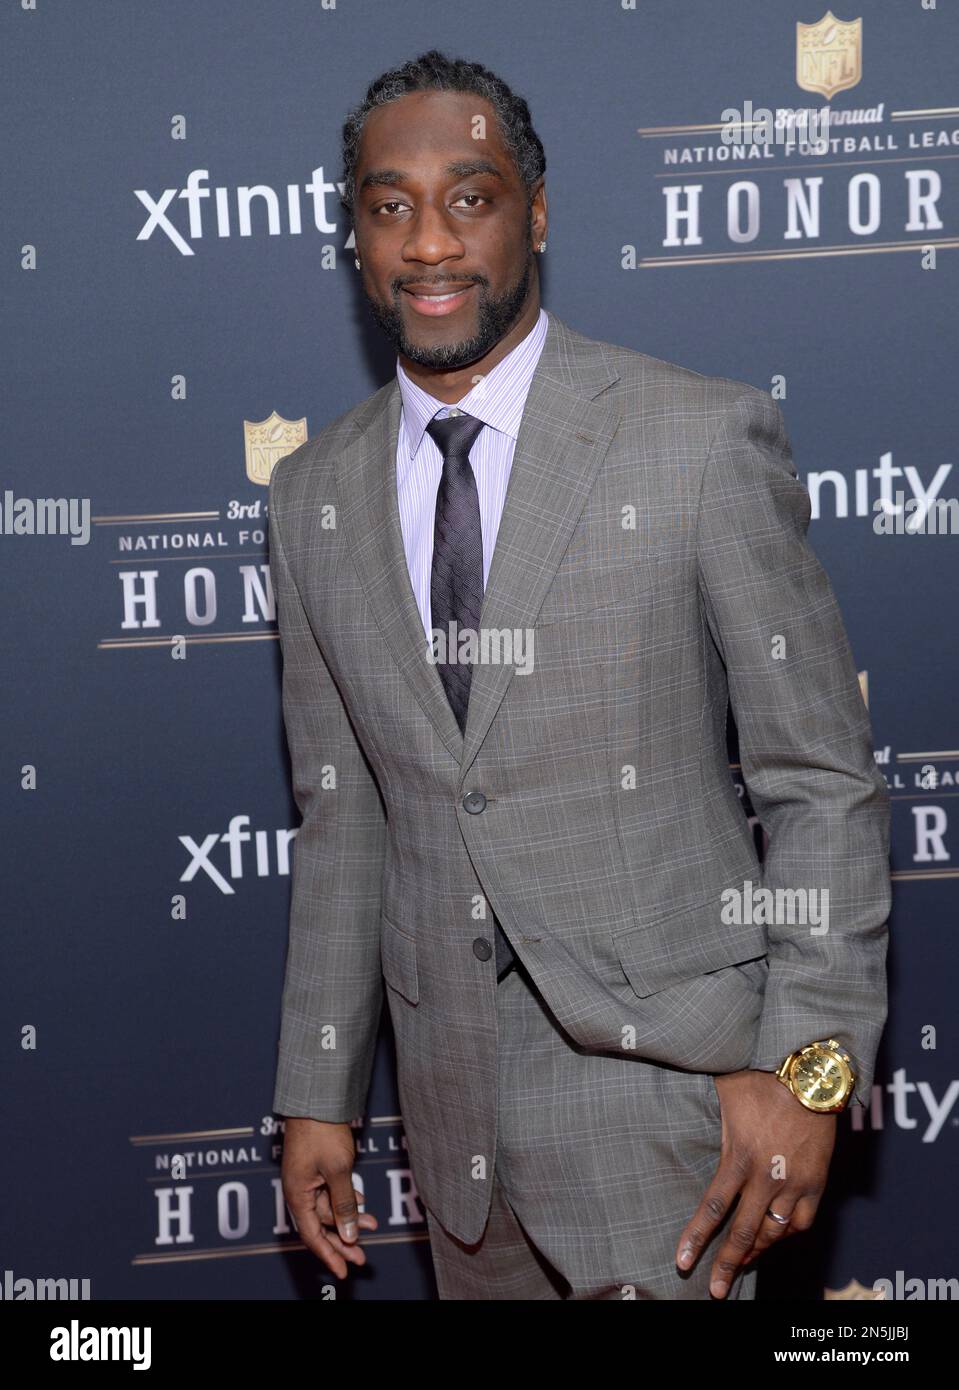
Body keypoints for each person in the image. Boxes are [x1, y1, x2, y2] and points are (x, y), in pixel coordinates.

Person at [268, 50, 890, 1300]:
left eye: (471, 195)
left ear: (534, 214)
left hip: (679, 1122)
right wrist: (316, 1092)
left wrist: (807, 1076)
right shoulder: (310, 495)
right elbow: (348, 824)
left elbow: (818, 780)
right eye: (390, 206)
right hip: (456, 1147)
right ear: (353, 236)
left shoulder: (694, 438)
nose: (429, 242)